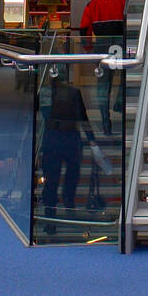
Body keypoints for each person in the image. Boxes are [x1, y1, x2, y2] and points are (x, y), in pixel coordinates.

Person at [40, 69, 96, 232]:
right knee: (71, 178)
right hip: (71, 138)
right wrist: (91, 139)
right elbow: (83, 117)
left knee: (51, 181)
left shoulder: (45, 93)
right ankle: (69, 209)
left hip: (53, 138)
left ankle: (50, 219)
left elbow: (43, 114)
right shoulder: (73, 92)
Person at [80, 0, 126, 136]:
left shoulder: (93, 4)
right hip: (120, 44)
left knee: (103, 84)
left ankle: (106, 122)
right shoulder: (124, 3)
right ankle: (120, 106)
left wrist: (88, 48)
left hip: (102, 45)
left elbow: (84, 28)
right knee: (126, 75)